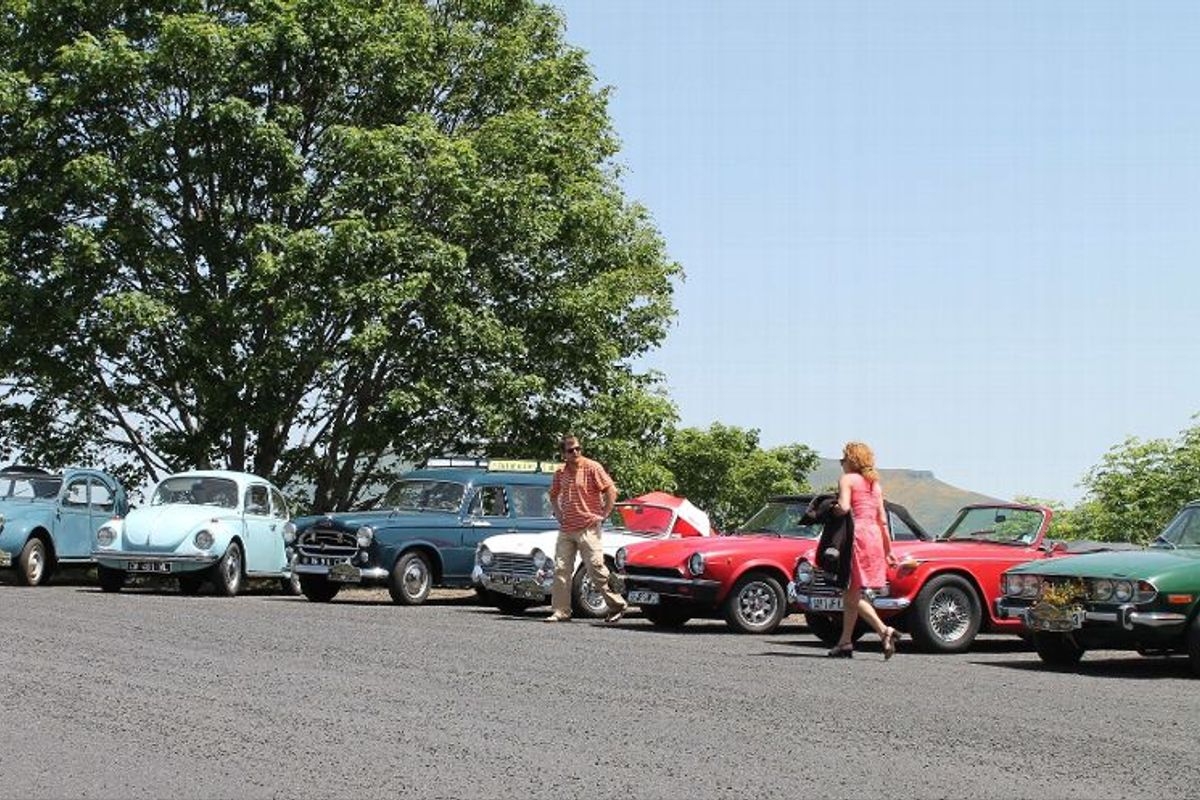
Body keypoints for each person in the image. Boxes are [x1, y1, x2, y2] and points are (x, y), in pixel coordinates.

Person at [828, 441, 901, 659]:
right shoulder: (874, 485)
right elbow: (883, 521)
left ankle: (884, 630)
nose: (842, 463)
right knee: (853, 591)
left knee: (850, 593)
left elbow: (844, 507)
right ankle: (845, 642)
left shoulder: (848, 479)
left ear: (852, 460)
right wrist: (889, 550)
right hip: (874, 538)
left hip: (856, 537)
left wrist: (829, 509)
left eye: (844, 458)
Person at [546, 435, 628, 624]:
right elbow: (553, 495)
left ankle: (617, 604)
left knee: (595, 567)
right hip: (567, 529)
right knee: (561, 569)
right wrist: (558, 514)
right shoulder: (560, 472)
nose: (575, 452)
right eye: (570, 450)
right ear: (563, 454)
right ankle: (561, 611)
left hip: (588, 527)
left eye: (578, 449)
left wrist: (604, 513)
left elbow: (610, 489)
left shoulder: (592, 467)